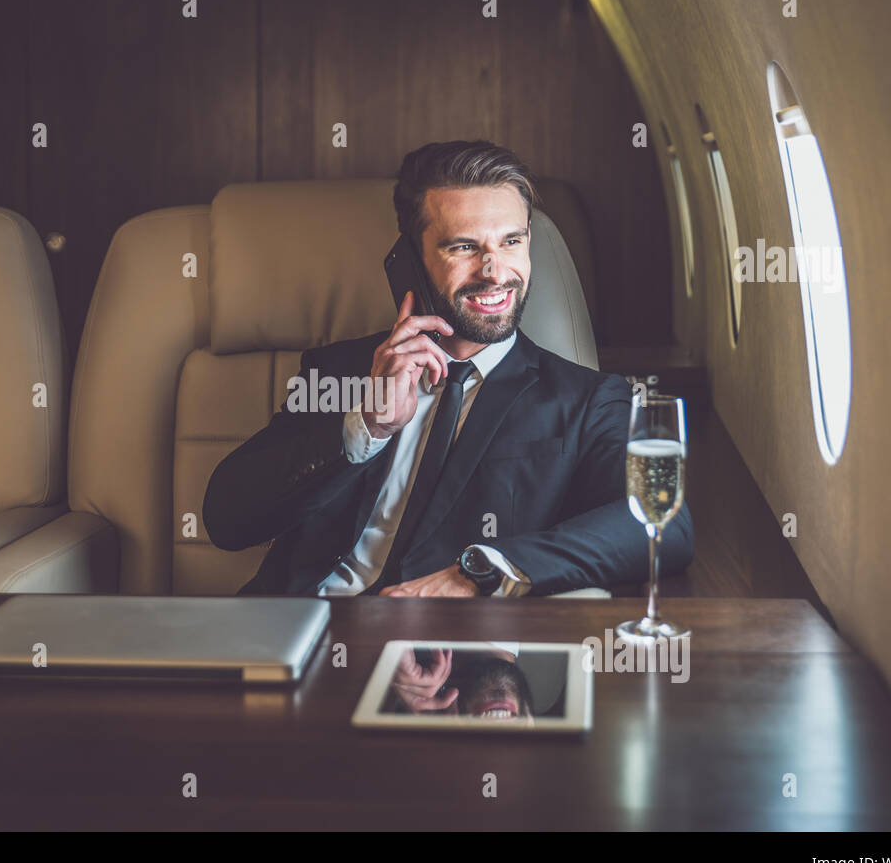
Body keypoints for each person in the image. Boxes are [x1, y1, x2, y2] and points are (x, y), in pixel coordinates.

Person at [202, 140, 692, 597]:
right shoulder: (339, 369)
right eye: (463, 247)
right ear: (410, 259)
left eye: (511, 241)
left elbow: (663, 528)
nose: (495, 271)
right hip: (297, 641)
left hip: (449, 661)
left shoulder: (588, 400)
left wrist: (484, 570)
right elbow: (226, 519)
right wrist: (366, 425)